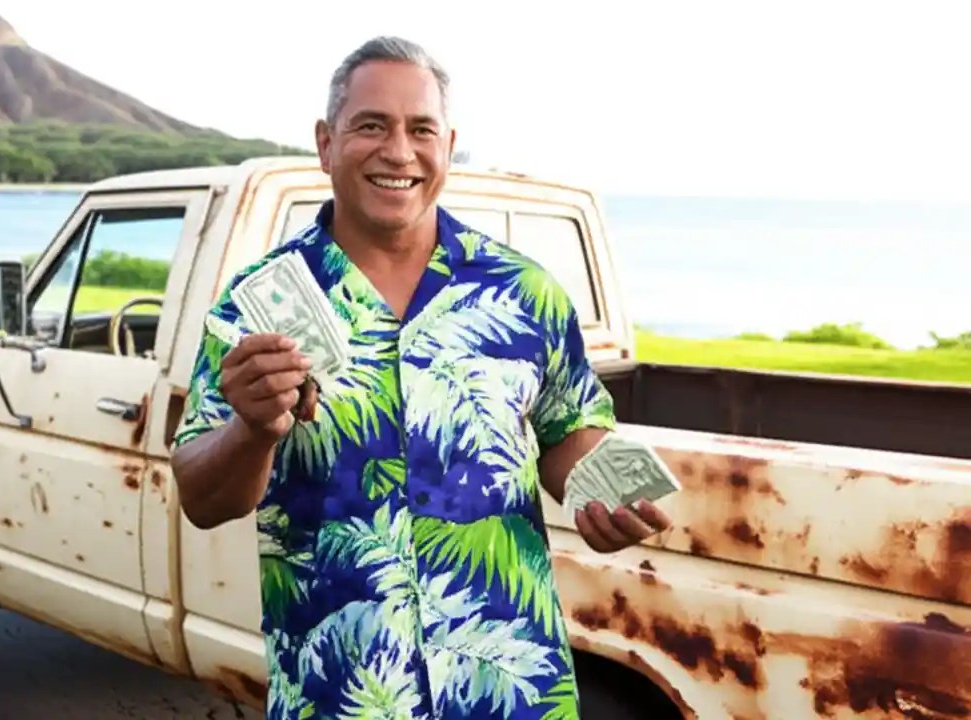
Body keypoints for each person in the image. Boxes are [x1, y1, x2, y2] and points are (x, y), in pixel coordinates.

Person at [169, 35, 673, 720]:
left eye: (420, 129)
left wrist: (602, 494)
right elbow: (202, 496)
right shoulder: (254, 305)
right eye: (370, 126)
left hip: (510, 689)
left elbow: (568, 428)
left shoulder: (524, 294)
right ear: (325, 143)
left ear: (448, 145)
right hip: (344, 696)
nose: (398, 151)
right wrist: (254, 430)